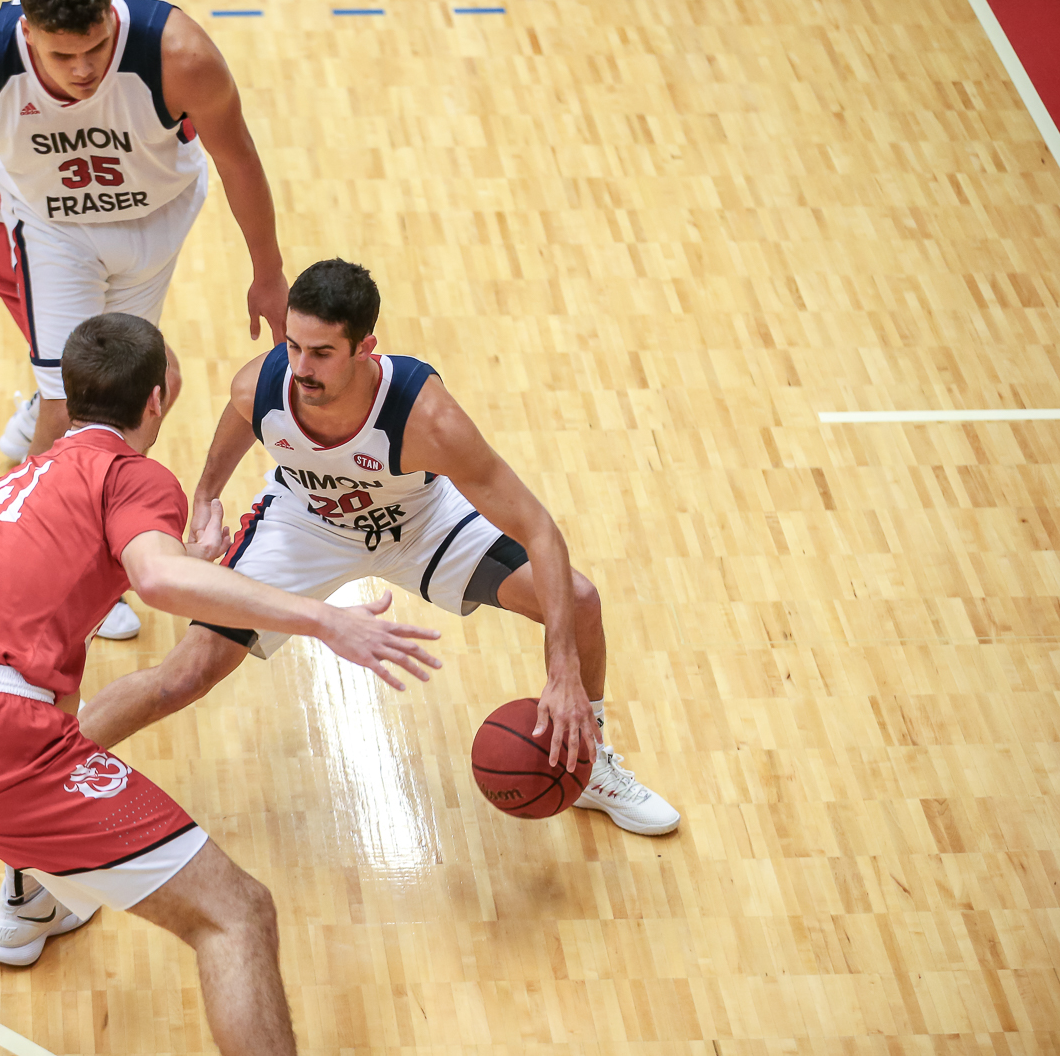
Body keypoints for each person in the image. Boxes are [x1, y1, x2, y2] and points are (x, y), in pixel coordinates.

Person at [0, 314, 440, 1053]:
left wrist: (196, 560)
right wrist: (325, 621)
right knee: (236, 913)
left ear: (70, 399)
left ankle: (32, 898)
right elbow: (159, 578)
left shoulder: (20, 478)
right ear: (158, 402)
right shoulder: (130, 473)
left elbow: (104, 592)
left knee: (64, 731)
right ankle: (36, 885)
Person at [77, 259, 681, 835]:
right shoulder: (262, 385)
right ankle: (50, 766)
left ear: (366, 348)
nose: (299, 367)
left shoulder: (428, 420)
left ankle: (589, 753)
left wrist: (563, 666)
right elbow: (242, 416)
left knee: (577, 600)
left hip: (419, 524)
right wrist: (207, 493)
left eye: (321, 353)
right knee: (183, 676)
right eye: (292, 345)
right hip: (305, 524)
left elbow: (540, 529)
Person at [0, 0, 288, 462]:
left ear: (112, 14)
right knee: (68, 401)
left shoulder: (180, 55)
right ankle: (34, 526)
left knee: (136, 390)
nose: (82, 70)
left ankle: (84, 487)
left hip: (155, 220)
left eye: (95, 49)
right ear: (27, 33)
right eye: (63, 56)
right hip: (55, 225)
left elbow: (238, 159)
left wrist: (268, 273)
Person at [0, 109, 145, 639]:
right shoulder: (20, 62)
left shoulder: (137, 57)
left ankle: (38, 412)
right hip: (13, 234)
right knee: (93, 396)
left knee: (138, 378)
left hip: (77, 229)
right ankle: (55, 574)